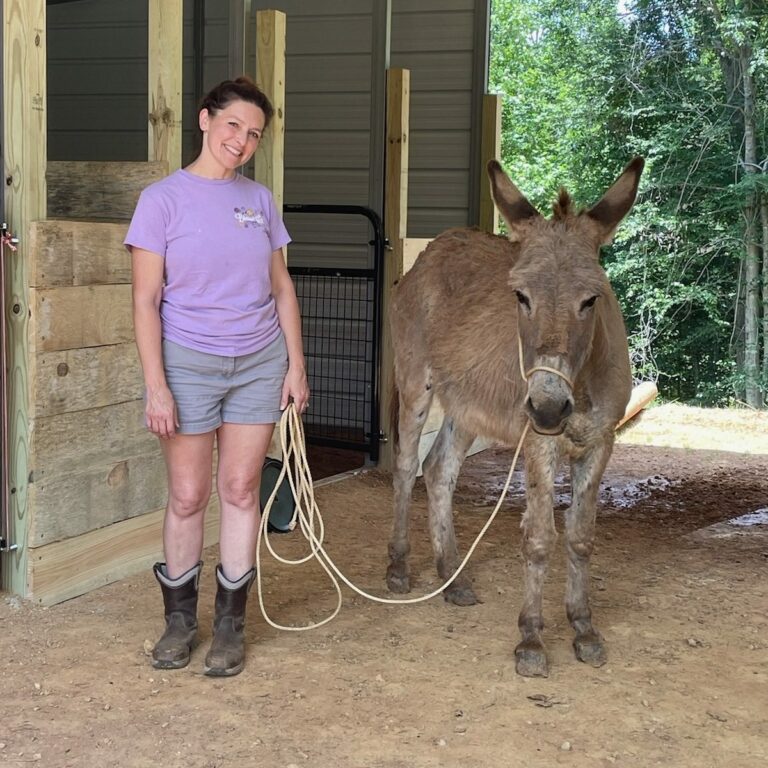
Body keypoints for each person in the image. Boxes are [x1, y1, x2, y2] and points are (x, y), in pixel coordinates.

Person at [125, 77, 309, 677]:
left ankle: (230, 625)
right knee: (187, 495)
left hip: (258, 362)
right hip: (188, 363)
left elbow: (281, 288)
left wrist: (296, 365)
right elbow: (146, 300)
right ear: (205, 120)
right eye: (234, 125)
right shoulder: (162, 201)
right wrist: (157, 385)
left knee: (241, 490)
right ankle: (179, 621)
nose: (242, 141)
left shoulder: (260, 201)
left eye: (254, 134)